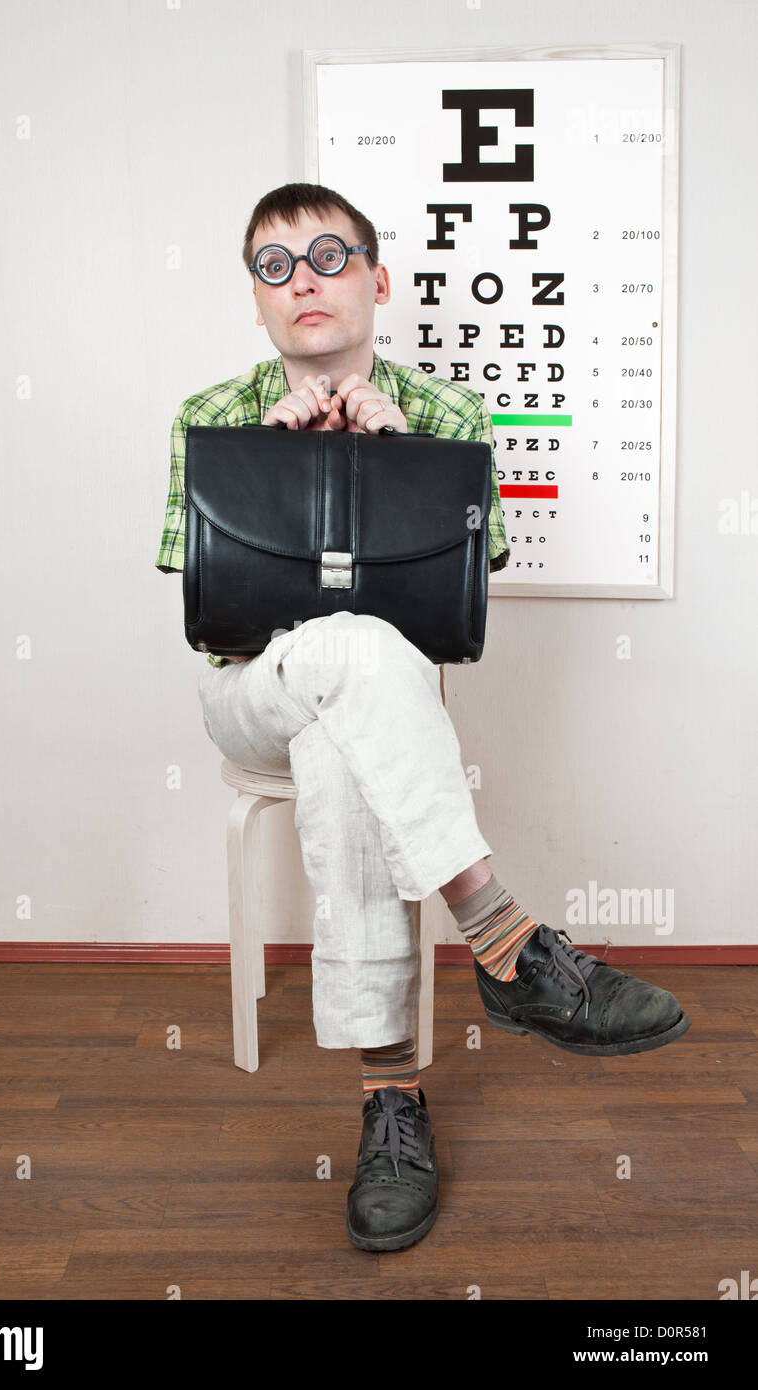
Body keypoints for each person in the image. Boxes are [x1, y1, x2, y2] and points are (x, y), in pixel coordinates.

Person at [155, 182, 690, 1253]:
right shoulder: (209, 416)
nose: (301, 280)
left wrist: (397, 462)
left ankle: (388, 1101)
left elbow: (463, 599)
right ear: (256, 300)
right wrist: (275, 464)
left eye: (327, 255)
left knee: (346, 734)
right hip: (248, 692)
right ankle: (506, 943)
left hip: (364, 714)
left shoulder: (447, 417)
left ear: (376, 276)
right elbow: (208, 616)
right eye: (273, 266)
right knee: (334, 674)